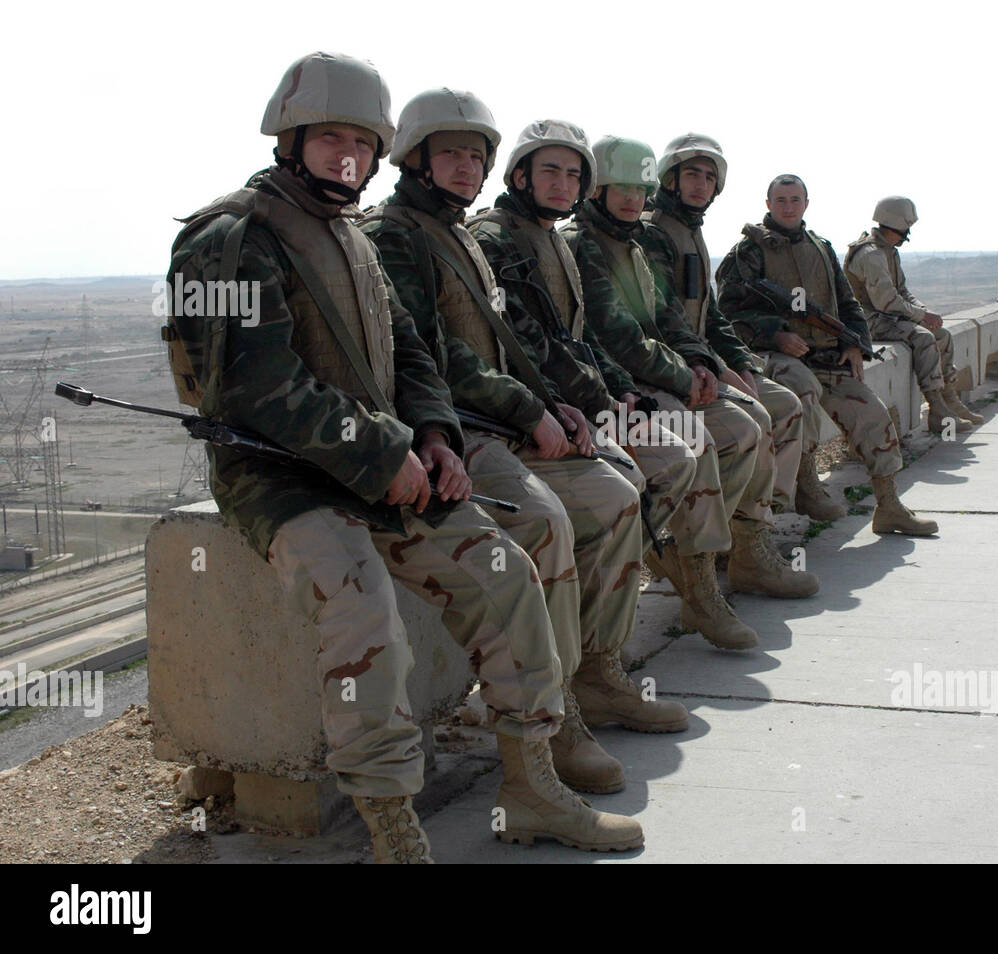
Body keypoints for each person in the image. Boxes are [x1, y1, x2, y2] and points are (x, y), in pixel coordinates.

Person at [166, 54, 641, 861]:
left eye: (361, 141)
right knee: (361, 607)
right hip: (280, 477)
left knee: (505, 572)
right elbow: (257, 386)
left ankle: (532, 783)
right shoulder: (231, 237)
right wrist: (387, 450)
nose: (346, 156)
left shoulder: (348, 236)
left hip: (385, 464)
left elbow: (414, 353)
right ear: (291, 138)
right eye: (329, 139)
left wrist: (433, 435)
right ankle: (392, 826)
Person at [362, 92, 690, 798]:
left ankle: (596, 673)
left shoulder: (453, 234)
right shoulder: (400, 235)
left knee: (617, 494)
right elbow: (432, 354)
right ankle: (552, 714)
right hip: (457, 428)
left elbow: (519, 343)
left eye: (474, 154)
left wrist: (563, 407)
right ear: (416, 158)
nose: (463, 166)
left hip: (499, 418)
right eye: (449, 152)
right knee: (546, 523)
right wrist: (531, 408)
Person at [716, 174, 938, 536]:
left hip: (825, 353)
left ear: (806, 203)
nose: (789, 206)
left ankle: (889, 506)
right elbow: (728, 311)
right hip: (775, 356)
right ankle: (805, 487)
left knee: (872, 412)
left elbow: (848, 303)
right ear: (768, 204)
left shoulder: (820, 247)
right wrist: (777, 333)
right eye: (781, 200)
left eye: (795, 199)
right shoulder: (748, 252)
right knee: (801, 391)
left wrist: (854, 343)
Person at [639, 133, 820, 536]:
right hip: (673, 367)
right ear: (670, 178)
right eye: (691, 175)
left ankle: (755, 527)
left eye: (708, 177)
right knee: (750, 422)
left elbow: (711, 312)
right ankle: (740, 536)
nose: (700, 185)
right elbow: (665, 318)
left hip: (705, 360)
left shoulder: (691, 229)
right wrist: (719, 368)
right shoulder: (654, 233)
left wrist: (739, 362)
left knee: (788, 406)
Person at [843, 196, 982, 433]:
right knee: (923, 337)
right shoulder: (871, 254)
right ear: (897, 223)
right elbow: (886, 301)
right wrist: (920, 317)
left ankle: (951, 401)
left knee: (942, 335)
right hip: (867, 320)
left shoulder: (888, 251)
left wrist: (925, 312)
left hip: (886, 316)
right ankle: (937, 410)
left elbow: (903, 292)